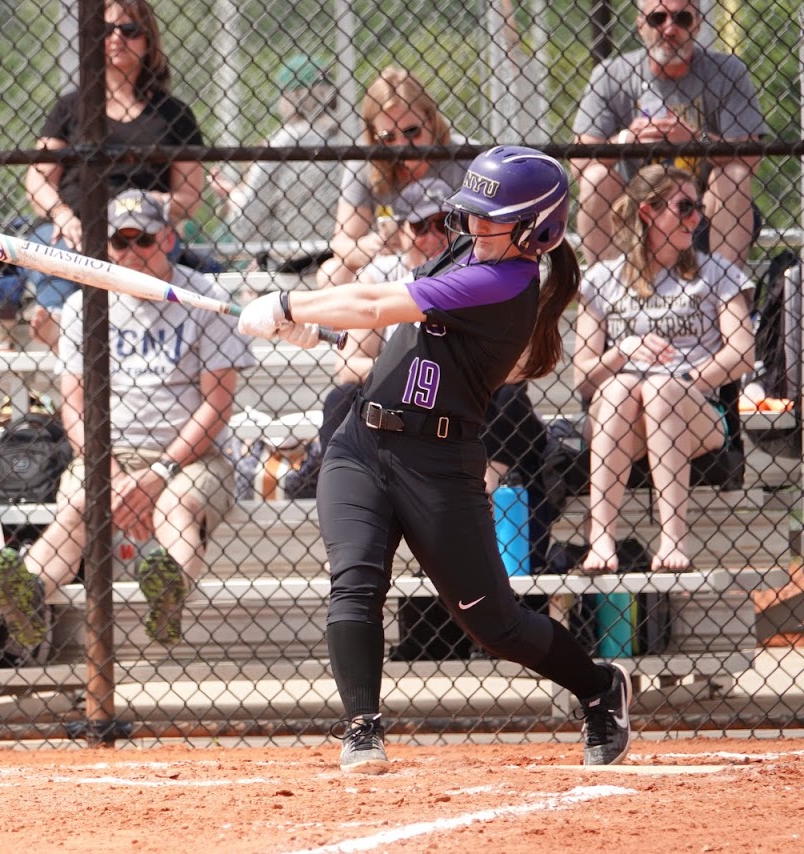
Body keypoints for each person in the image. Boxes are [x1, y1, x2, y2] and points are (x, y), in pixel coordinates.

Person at [237, 146, 632, 772]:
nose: (472, 225)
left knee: (493, 624)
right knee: (355, 583)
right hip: (361, 446)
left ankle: (597, 687)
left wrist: (289, 304)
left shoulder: (504, 283)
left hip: (439, 464)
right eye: (470, 213)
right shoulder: (474, 249)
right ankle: (362, 726)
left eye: (489, 217)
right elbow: (401, 331)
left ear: (538, 231)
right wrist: (322, 331)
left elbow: (373, 303)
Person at [0, 190, 254, 649]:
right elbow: (74, 402)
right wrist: (107, 470)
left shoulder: (205, 297)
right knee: (77, 509)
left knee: (176, 508)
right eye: (119, 242)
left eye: (143, 240)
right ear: (105, 247)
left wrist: (159, 473)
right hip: (106, 454)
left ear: (167, 238)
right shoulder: (84, 305)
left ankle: (168, 594)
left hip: (192, 460)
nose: (130, 252)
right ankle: (26, 593)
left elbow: (217, 405)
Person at [573, 164, 754, 574]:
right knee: (621, 389)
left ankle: (673, 539)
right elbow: (582, 377)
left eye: (699, 207)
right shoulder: (602, 279)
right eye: (685, 207)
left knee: (660, 390)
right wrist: (624, 351)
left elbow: (741, 353)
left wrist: (683, 380)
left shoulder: (716, 272)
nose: (697, 219)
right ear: (647, 212)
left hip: (691, 412)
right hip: (614, 419)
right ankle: (601, 539)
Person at [22, 0, 205, 350]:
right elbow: (37, 180)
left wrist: (156, 204)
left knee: (146, 248)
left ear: (148, 40)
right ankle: (63, 330)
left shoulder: (174, 114)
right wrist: (62, 215)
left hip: (140, 229)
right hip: (78, 227)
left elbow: (191, 197)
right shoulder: (70, 107)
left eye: (130, 29)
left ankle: (134, 342)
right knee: (49, 242)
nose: (117, 38)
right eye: (106, 30)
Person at [570, 0, 765, 271]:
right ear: (640, 25)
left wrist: (696, 141)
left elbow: (751, 158)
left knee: (734, 174)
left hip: (703, 207)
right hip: (635, 207)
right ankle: (610, 295)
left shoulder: (728, 71)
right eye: (657, 18)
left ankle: (725, 293)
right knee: (595, 178)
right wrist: (627, 141)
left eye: (682, 19)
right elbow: (578, 164)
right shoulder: (611, 75)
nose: (669, 29)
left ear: (697, 25)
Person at [317, 68, 470, 409]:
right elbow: (342, 239)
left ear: (431, 120)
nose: (402, 144)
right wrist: (369, 247)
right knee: (330, 272)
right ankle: (349, 345)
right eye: (388, 136)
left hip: (456, 264)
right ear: (374, 135)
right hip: (393, 263)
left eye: (412, 131)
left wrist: (437, 233)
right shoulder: (366, 163)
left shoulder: (461, 157)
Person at [209, 54, 348, 274]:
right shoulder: (354, 137)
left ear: (289, 97)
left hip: (292, 268)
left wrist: (232, 195)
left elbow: (247, 227)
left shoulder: (284, 141)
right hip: (346, 262)